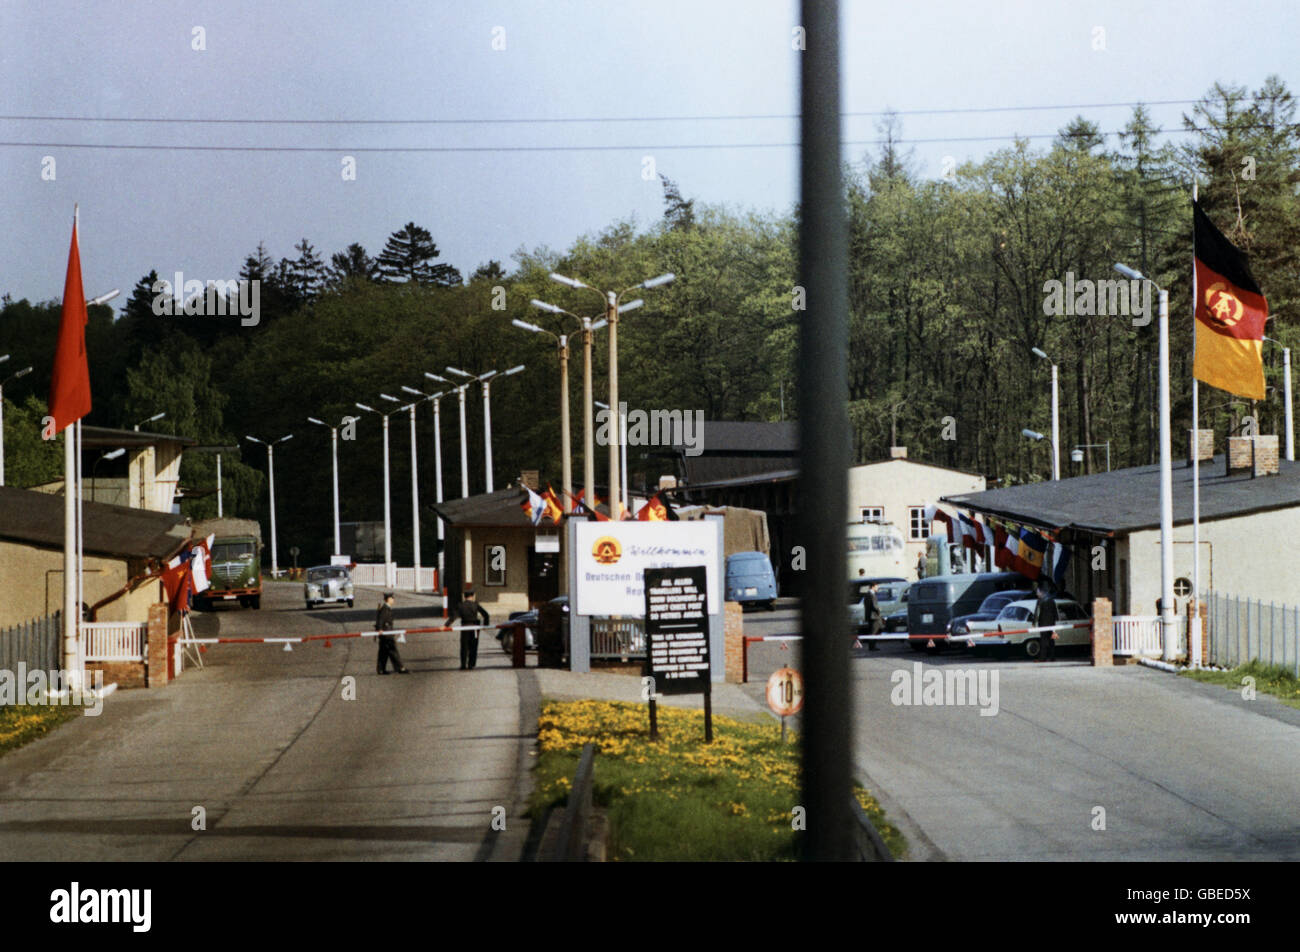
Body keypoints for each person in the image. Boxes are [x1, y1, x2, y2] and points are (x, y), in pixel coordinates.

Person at [457, 586, 490, 670]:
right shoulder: (476, 605)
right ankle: (471, 664)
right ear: (472, 596)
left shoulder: (461, 605)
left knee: (464, 646)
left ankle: (463, 664)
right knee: (473, 646)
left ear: (464, 596)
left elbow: (453, 616)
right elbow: (486, 614)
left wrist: (446, 625)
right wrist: (485, 625)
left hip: (464, 627)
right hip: (475, 628)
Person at [375, 592, 408, 675]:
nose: (393, 600)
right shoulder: (385, 609)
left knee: (383, 652)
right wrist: (380, 629)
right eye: (392, 598)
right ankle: (400, 668)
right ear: (388, 599)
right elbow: (380, 620)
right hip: (386, 633)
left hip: (386, 633)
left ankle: (381, 669)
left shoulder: (386, 608)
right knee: (393, 650)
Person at [1034, 580, 1058, 662]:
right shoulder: (1051, 600)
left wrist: (1034, 622)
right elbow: (1055, 612)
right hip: (1051, 624)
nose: (1037, 594)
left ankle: (1042, 658)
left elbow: (1037, 613)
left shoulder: (1040, 601)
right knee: (1051, 641)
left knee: (1043, 641)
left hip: (1043, 624)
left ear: (1041, 592)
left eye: (1037, 592)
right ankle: (1052, 657)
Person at [863, 581, 883, 651]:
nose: (878, 588)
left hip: (870, 616)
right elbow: (874, 606)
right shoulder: (872, 595)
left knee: (872, 631)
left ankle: (872, 646)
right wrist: (879, 609)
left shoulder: (867, 594)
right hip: (874, 616)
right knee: (874, 632)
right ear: (873, 587)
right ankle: (872, 647)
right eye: (877, 587)